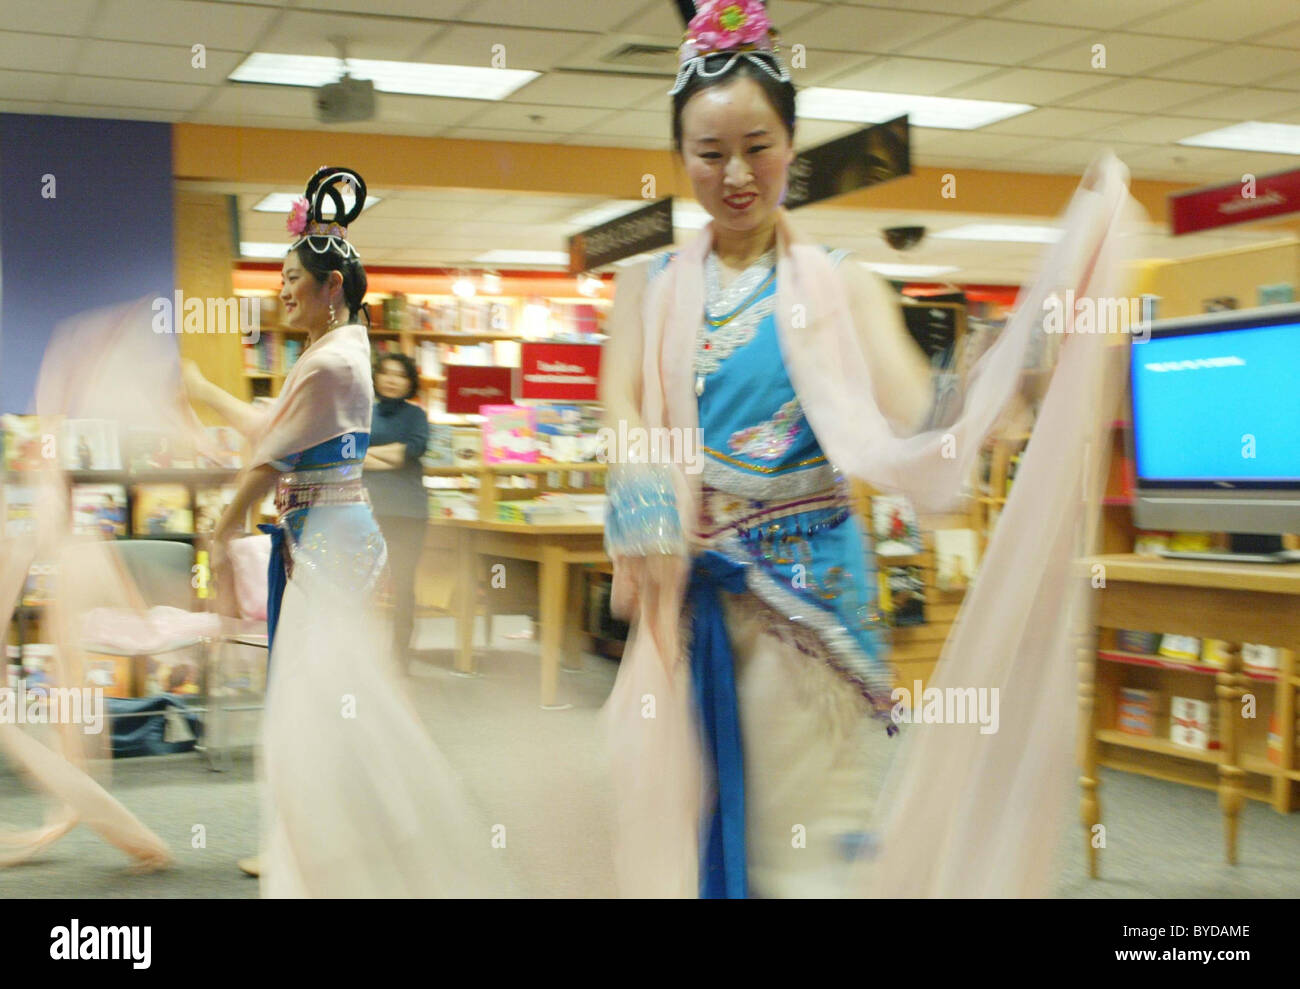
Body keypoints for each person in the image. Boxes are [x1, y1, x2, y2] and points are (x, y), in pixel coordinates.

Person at [600, 0, 1138, 899]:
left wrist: (1025, 348)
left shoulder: (842, 286)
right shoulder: (647, 282)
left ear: (792, 145)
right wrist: (644, 488)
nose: (736, 173)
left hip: (803, 605)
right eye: (710, 151)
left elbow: (922, 418)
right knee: (680, 817)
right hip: (686, 591)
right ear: (680, 156)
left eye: (758, 145)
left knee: (798, 840)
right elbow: (619, 396)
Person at [183, 166, 506, 897]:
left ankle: (333, 844)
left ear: (333, 286)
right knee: (325, 695)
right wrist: (209, 399)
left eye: (293, 275)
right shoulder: (339, 351)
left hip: (325, 543)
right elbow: (278, 433)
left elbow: (268, 459)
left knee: (311, 698)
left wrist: (221, 524)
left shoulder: (328, 361)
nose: (282, 288)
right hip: (327, 538)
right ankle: (327, 835)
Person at [363, 353, 430, 669]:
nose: (391, 379)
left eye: (399, 375)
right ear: (376, 377)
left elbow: (412, 450)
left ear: (409, 381)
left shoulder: (416, 415)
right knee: (364, 584)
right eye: (385, 373)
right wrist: (394, 455)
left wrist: (369, 455)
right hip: (367, 510)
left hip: (408, 512)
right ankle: (366, 652)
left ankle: (400, 654)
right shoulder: (363, 411)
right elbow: (350, 453)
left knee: (403, 584)